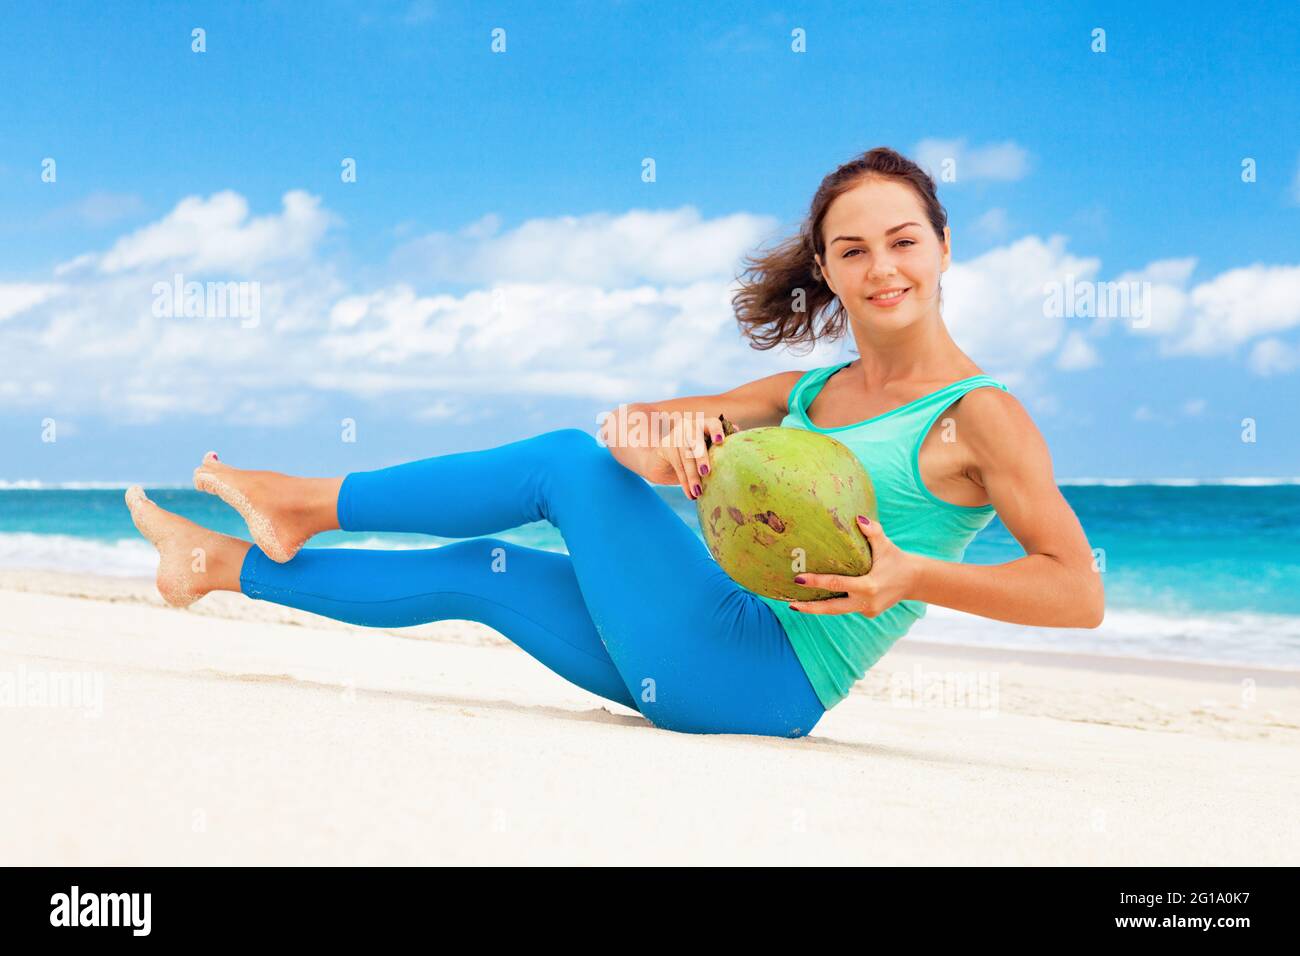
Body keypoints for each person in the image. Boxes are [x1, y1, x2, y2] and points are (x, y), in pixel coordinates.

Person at [125, 146, 1103, 739]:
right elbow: (627, 430)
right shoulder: (808, 390)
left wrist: (911, 574)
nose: (882, 267)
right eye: (852, 249)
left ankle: (303, 500)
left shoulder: (981, 416)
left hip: (764, 676)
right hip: (701, 629)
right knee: (485, 568)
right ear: (827, 270)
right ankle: (216, 563)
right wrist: (673, 453)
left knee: (558, 462)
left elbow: (1075, 588)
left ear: (941, 245)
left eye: (902, 240)